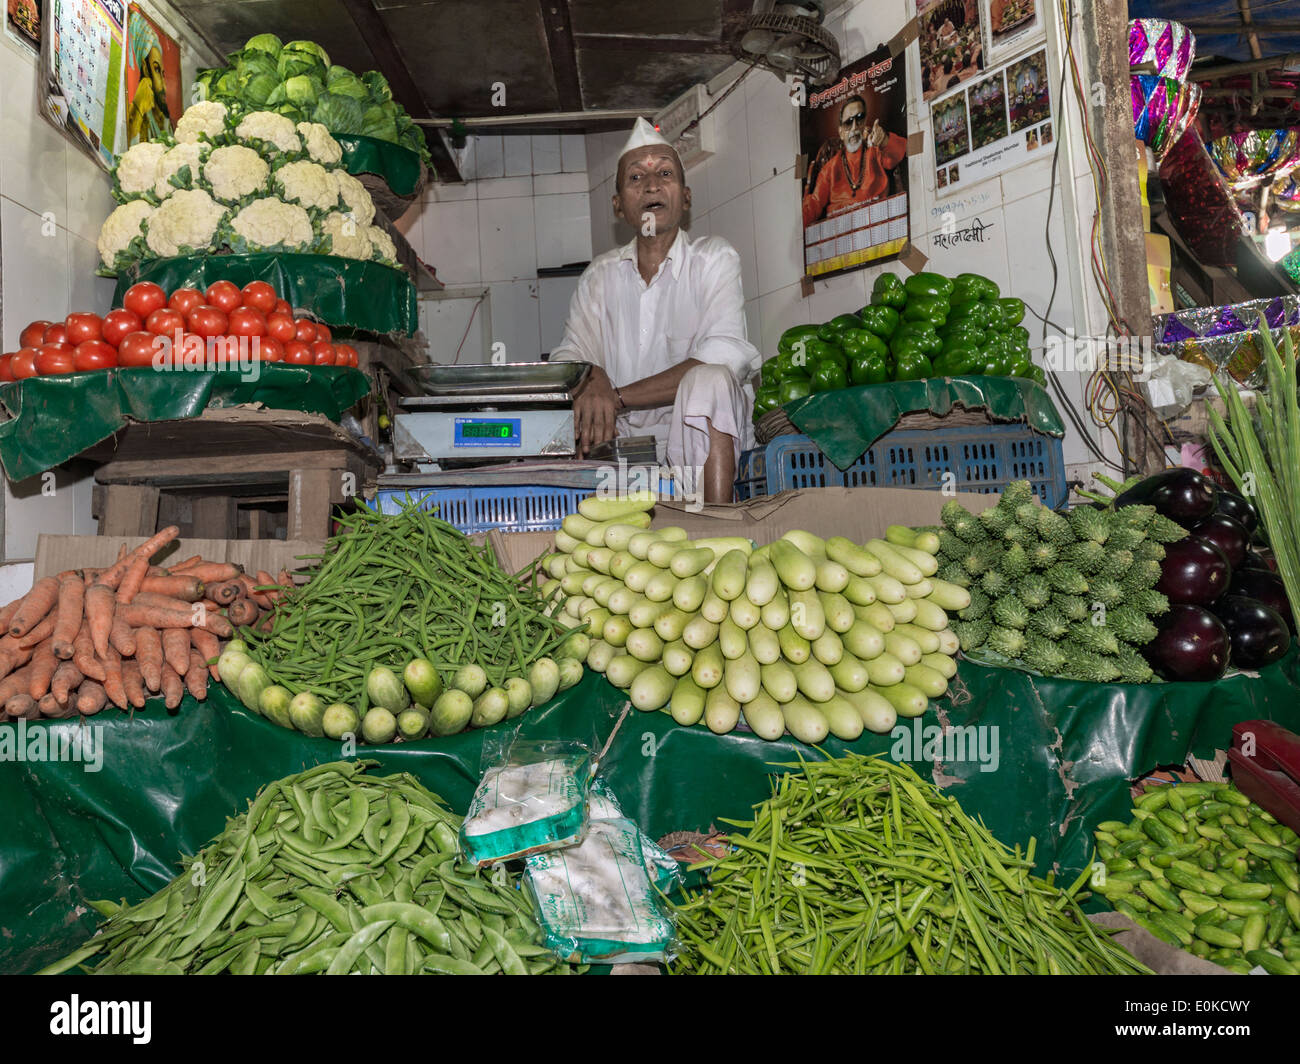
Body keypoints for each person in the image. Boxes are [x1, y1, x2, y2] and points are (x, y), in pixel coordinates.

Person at [549, 118, 758, 504]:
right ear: (618, 205)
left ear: (686, 196)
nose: (651, 185)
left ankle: (714, 523)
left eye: (664, 173)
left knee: (709, 378)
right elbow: (569, 355)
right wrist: (591, 376)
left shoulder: (714, 259)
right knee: (575, 389)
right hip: (622, 449)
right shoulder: (600, 276)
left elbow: (726, 354)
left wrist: (615, 396)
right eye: (635, 178)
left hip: (704, 446)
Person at [802, 95, 907, 226]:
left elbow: (902, 152)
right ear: (841, 132)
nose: (854, 127)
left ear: (865, 123)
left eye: (859, 119)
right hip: (840, 235)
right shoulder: (830, 168)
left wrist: (884, 140)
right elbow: (813, 206)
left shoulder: (875, 152)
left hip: (875, 230)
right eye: (848, 123)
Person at [127, 12, 171, 145]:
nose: (163, 85)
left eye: (162, 73)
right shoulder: (135, 113)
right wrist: (139, 108)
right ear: (146, 69)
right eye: (156, 70)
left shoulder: (166, 123)